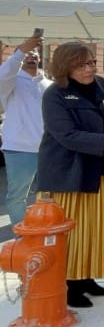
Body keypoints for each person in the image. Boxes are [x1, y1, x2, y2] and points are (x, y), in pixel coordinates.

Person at [36, 42, 104, 307]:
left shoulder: (103, 86)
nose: (89, 69)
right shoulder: (55, 94)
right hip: (68, 174)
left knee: (94, 229)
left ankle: (86, 277)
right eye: (81, 65)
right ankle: (68, 284)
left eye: (91, 63)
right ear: (65, 67)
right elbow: (66, 135)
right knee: (71, 232)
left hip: (99, 172)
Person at [0, 32, 50, 228]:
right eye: (27, 53)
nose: (31, 55)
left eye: (34, 52)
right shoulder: (9, 81)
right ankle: (23, 236)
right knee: (17, 197)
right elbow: (5, 72)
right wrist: (21, 51)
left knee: (48, 196)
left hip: (48, 149)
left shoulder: (49, 84)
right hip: (19, 149)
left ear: (39, 58)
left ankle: (45, 233)